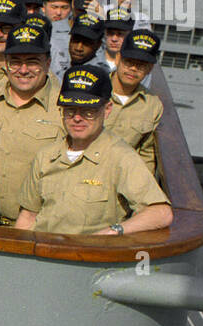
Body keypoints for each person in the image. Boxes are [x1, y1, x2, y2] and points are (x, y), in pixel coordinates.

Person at [15, 67, 173, 236]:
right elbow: (28, 215)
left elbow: (161, 213)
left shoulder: (121, 158)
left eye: (88, 112)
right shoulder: (46, 156)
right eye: (70, 110)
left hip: (88, 254)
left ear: (107, 109)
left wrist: (115, 231)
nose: (77, 118)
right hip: (42, 251)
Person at [0, 21, 62, 224]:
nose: (23, 69)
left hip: (40, 226)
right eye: (15, 61)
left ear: (48, 63)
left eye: (33, 61)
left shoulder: (64, 108)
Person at [104, 29, 164, 176]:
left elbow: (147, 155)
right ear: (118, 59)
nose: (133, 69)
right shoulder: (95, 88)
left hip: (119, 180)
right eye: (129, 61)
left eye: (141, 65)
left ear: (149, 69)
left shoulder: (152, 106)